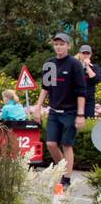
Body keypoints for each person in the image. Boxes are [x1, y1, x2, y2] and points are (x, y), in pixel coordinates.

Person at [33, 31, 88, 188]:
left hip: (70, 112)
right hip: (54, 112)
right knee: (50, 143)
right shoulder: (49, 64)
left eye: (62, 44)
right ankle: (62, 170)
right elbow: (45, 88)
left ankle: (67, 179)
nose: (58, 47)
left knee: (66, 144)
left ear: (68, 46)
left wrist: (81, 114)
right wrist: (37, 107)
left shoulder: (75, 64)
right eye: (56, 44)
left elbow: (81, 92)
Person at [80, 44, 98, 119]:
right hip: (75, 99)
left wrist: (87, 66)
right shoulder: (75, 67)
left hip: (89, 101)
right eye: (83, 53)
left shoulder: (95, 67)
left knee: (88, 121)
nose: (85, 55)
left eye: (87, 53)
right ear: (80, 54)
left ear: (90, 55)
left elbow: (95, 79)